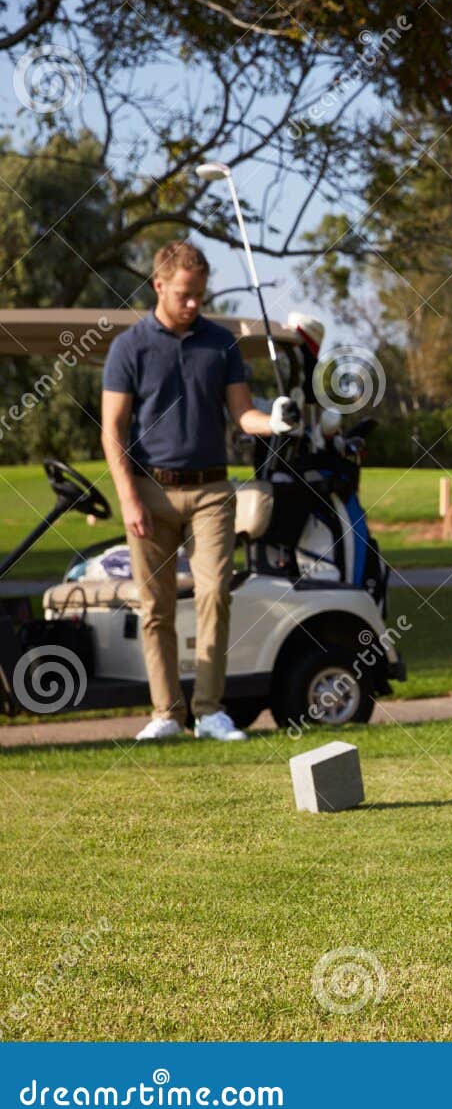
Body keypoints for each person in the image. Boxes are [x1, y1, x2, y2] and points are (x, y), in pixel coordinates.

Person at [101, 241, 298, 742]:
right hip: (149, 490)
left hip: (211, 488)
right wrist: (127, 497)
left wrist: (271, 422)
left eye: (200, 296)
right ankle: (167, 713)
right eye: (185, 295)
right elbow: (113, 429)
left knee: (214, 594)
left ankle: (210, 710)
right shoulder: (130, 347)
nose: (194, 304)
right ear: (159, 285)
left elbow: (242, 413)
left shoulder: (221, 342)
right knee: (157, 607)